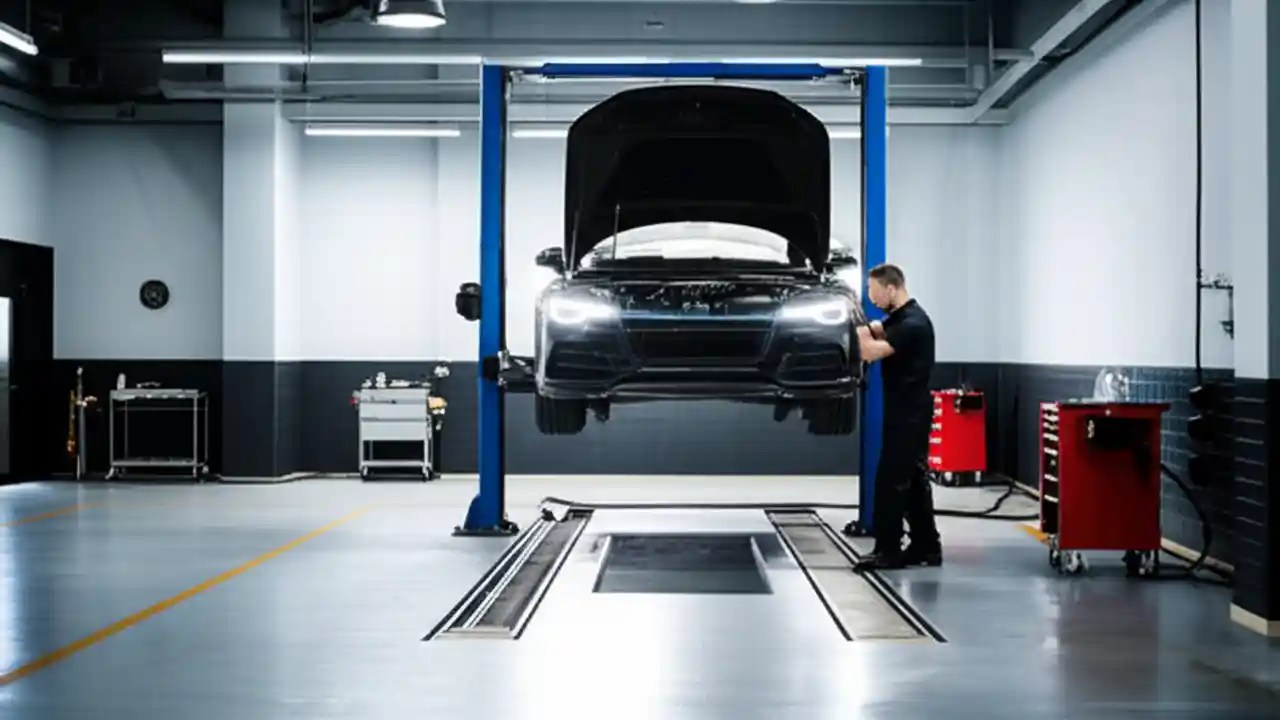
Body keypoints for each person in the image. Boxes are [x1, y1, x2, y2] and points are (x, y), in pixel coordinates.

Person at [853, 263, 942, 570]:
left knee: (891, 481)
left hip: (910, 415)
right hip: (909, 411)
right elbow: (878, 327)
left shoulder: (913, 325)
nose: (871, 298)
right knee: (914, 480)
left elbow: (869, 351)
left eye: (874, 292)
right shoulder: (903, 318)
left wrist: (855, 332)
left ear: (890, 289)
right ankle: (926, 546)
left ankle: (888, 551)